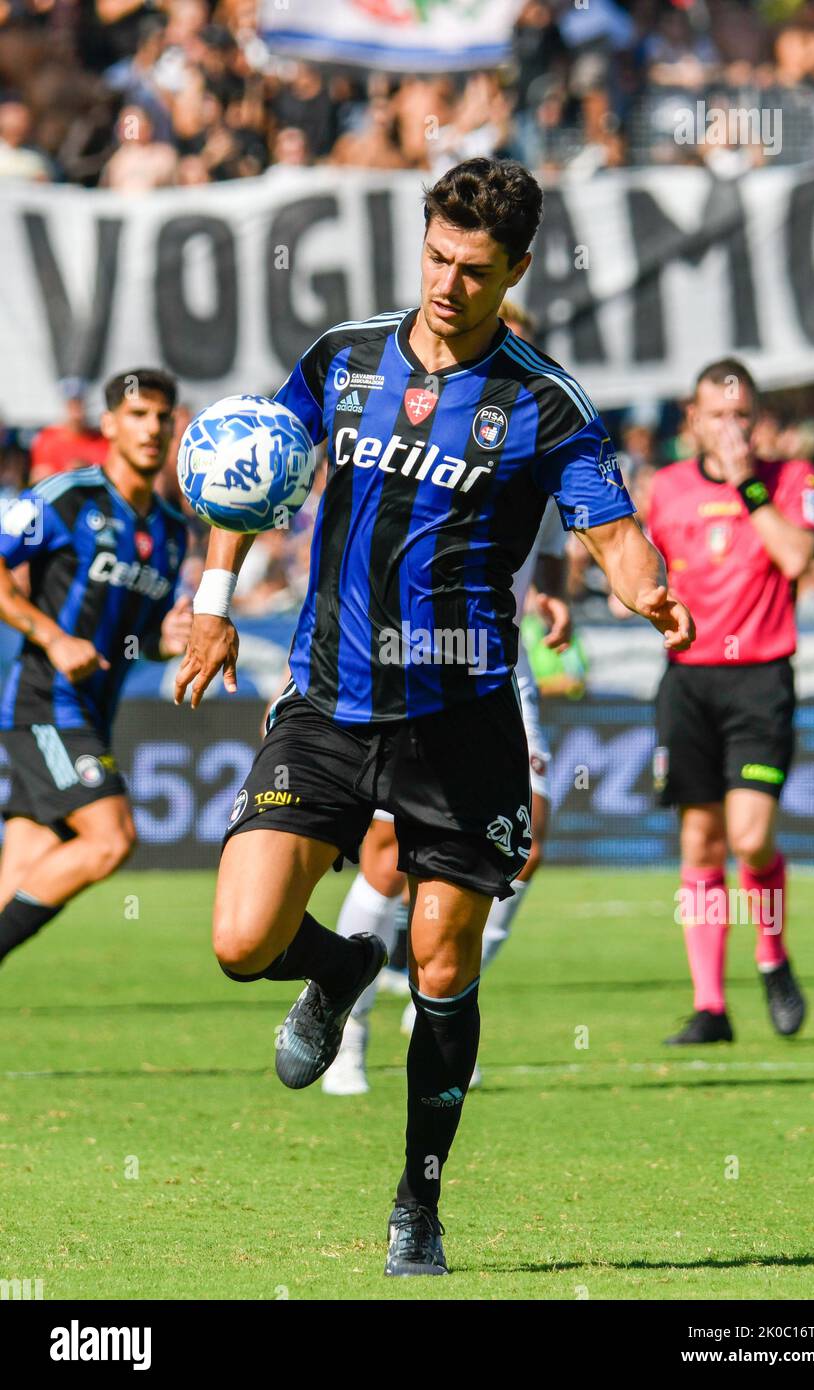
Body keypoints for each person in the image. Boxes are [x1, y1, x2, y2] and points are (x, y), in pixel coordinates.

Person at [175, 157, 694, 1277]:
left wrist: (641, 585)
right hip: (324, 699)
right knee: (239, 939)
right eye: (436, 256)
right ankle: (339, 968)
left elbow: (610, 527)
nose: (448, 283)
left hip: (459, 724)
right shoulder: (342, 357)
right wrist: (214, 607)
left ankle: (418, 1199)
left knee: (445, 960)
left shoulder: (542, 401)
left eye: (473, 268)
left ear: (513, 268)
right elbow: (239, 470)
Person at [322, 298, 573, 1098]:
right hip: (416, 659)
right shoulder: (426, 423)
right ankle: (347, 1020)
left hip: (500, 664)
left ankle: (435, 993)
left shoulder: (546, 418)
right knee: (391, 855)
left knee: (526, 835)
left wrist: (557, 598)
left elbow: (562, 538)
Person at [648, 359, 814, 1046]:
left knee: (751, 838)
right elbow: (641, 569)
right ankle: (710, 1007)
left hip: (760, 678)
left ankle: (773, 956)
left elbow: (795, 559)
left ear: (758, 420)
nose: (731, 427)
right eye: (717, 414)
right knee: (700, 840)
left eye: (742, 414)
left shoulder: (791, 481)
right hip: (689, 680)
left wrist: (750, 485)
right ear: (692, 420)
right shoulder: (665, 489)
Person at [0, 368, 190, 966]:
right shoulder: (67, 497)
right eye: (138, 414)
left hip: (91, 714)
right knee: (111, 840)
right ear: (108, 425)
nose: (152, 428)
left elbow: (144, 638)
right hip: (44, 705)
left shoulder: (174, 532)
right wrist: (53, 637)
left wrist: (170, 638)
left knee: (16, 878)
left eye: (162, 416)